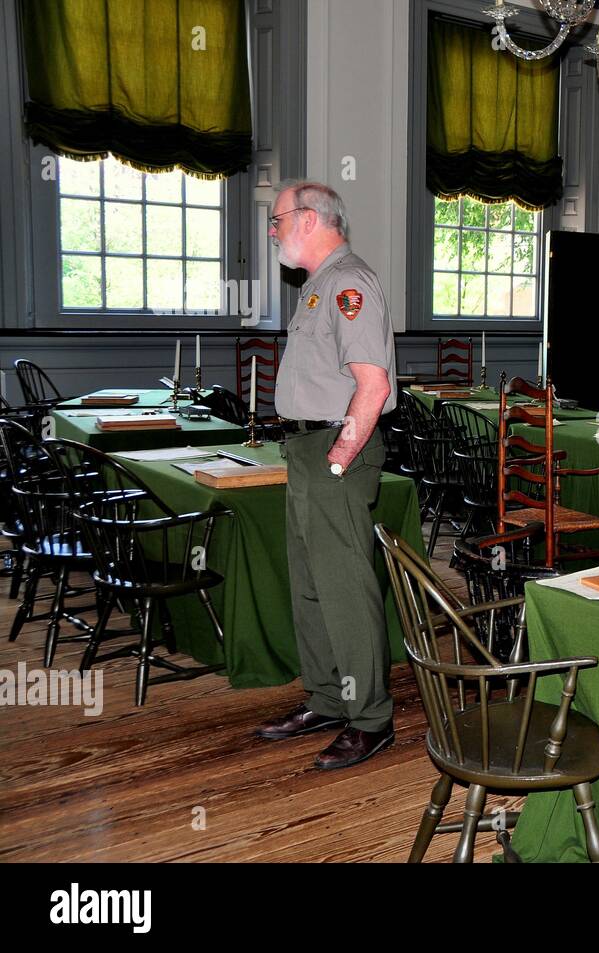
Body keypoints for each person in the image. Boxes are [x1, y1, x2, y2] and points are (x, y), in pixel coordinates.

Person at [253, 181, 398, 770]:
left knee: (344, 589)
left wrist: (339, 455)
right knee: (311, 585)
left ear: (309, 219)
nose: (273, 230)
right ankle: (328, 698)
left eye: (278, 219)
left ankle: (370, 719)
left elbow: (374, 385)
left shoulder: (349, 284)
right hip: (307, 448)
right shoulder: (318, 285)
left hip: (334, 449)